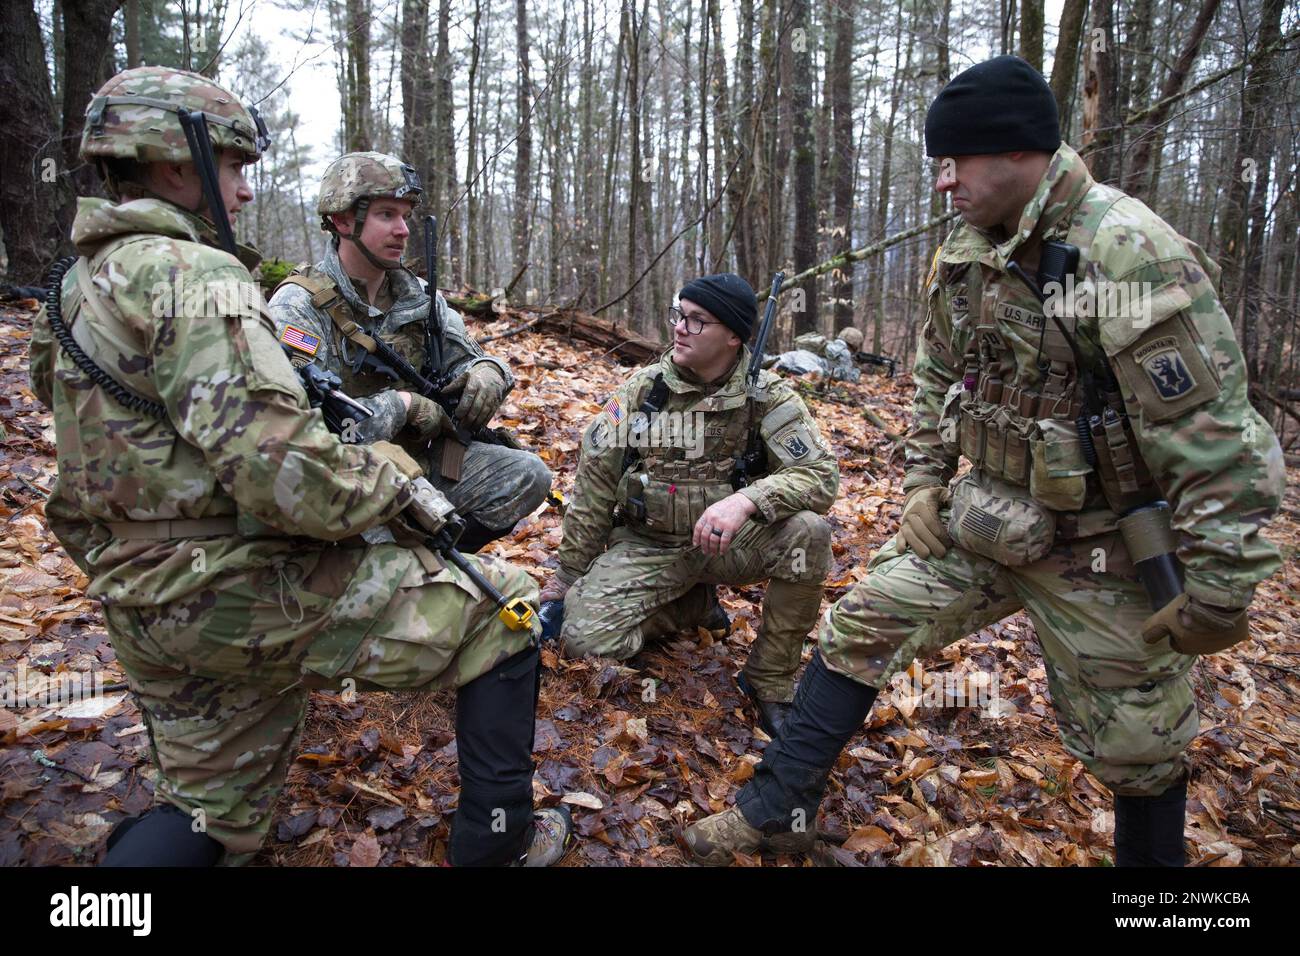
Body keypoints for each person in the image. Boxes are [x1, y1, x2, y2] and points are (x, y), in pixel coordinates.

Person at [684, 55, 1284, 866]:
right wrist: (924, 485)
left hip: (1104, 546)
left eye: (952, 162)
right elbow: (936, 376)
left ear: (1016, 152)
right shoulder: (967, 252)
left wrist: (1219, 584)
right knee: (862, 623)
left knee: (1138, 746)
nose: (943, 184)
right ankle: (774, 810)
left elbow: (1210, 432)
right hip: (987, 514)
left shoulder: (1120, 251)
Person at [29, 66, 570, 866]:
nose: (244, 191)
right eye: (234, 167)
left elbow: (110, 426)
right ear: (178, 163)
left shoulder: (74, 286)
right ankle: (500, 845)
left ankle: (102, 910)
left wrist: (442, 407)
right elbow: (280, 468)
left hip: (138, 585)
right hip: (238, 580)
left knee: (215, 818)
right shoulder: (203, 278)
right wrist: (390, 478)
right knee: (510, 611)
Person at [539, 274, 840, 735]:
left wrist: (747, 499)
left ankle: (769, 680)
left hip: (731, 545)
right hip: (648, 544)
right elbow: (595, 482)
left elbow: (821, 476)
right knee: (584, 641)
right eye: (679, 314)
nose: (680, 328)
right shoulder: (644, 392)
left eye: (698, 321)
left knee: (810, 533)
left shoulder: (768, 398)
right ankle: (689, 606)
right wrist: (567, 579)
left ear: (734, 336)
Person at [267, 151, 551, 552]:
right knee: (377, 550)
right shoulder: (298, 307)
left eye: (406, 216)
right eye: (386, 214)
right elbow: (298, 435)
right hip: (344, 480)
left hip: (417, 465)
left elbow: (475, 358)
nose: (402, 230)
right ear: (343, 220)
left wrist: (486, 373)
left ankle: (436, 555)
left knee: (527, 474)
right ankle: (398, 565)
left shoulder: (417, 296)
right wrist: (401, 405)